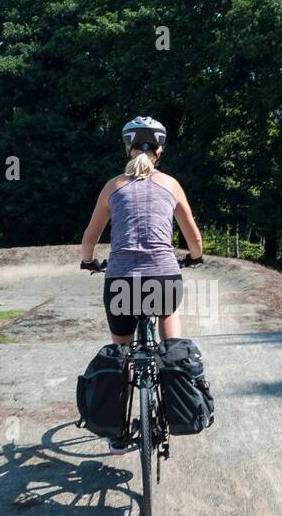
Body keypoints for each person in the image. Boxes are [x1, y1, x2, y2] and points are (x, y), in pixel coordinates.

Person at [79, 115, 204, 452]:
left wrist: (89, 261)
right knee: (171, 337)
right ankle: (176, 407)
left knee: (122, 354)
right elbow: (194, 238)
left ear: (127, 146)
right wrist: (194, 257)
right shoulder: (171, 185)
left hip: (120, 279)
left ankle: (118, 436)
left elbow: (89, 238)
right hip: (163, 276)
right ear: (159, 151)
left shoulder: (114, 186)